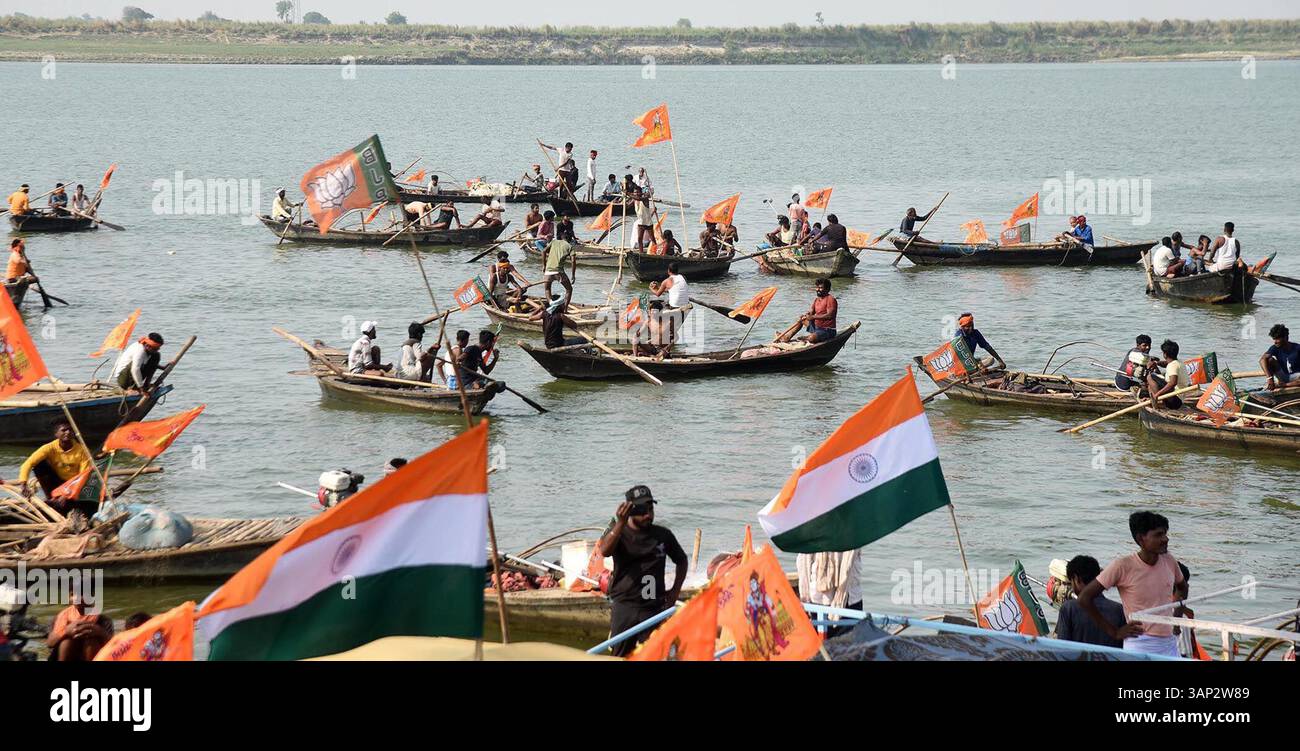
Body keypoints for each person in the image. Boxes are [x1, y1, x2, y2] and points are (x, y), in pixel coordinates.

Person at [1078, 511, 1187, 657]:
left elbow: (1182, 587)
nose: (1165, 539)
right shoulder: (1122, 566)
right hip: (1139, 642)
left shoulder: (1169, 561)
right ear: (1141, 539)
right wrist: (1115, 632)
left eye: (1165, 534)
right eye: (1158, 535)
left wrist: (1176, 621)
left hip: (1169, 643)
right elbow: (1084, 598)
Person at [597, 485, 688, 658]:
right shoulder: (619, 533)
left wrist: (675, 591)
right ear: (629, 510)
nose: (648, 515)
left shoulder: (662, 535)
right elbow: (604, 551)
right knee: (621, 655)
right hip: (625, 605)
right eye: (642, 510)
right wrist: (620, 522)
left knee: (655, 654)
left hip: (653, 606)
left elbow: (681, 560)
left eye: (651, 509)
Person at [13, 418, 91, 505]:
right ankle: (51, 497)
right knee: (39, 465)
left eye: (70, 430)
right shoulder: (49, 448)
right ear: (56, 434)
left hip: (74, 485)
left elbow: (83, 476)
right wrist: (23, 484)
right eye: (64, 430)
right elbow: (27, 464)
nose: (68, 432)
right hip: (57, 482)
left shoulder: (82, 450)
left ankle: (61, 499)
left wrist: (66, 494)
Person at [1053, 555, 1125, 649]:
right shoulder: (1119, 609)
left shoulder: (1069, 608)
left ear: (1076, 578)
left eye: (1071, 582)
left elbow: (1061, 647)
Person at [797, 548, 863, 639]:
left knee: (850, 645)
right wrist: (805, 599)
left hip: (849, 596)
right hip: (820, 598)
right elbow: (804, 563)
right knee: (824, 645)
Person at [47, 594, 112, 662]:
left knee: (92, 641)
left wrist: (100, 632)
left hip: (91, 656)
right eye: (73, 595)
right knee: (67, 642)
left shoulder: (103, 620)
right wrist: (66, 631)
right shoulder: (60, 618)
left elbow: (115, 646)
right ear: (69, 597)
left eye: (82, 594)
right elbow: (50, 643)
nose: (77, 598)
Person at [787, 278, 838, 343]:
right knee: (802, 320)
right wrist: (807, 315)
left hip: (827, 330)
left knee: (812, 338)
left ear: (827, 289)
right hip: (816, 328)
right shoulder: (816, 300)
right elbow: (811, 313)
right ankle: (787, 336)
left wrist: (813, 317)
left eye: (821, 288)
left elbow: (830, 315)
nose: (818, 290)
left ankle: (807, 338)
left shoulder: (830, 299)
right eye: (817, 287)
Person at [541, 221, 576, 302]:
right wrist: (573, 275)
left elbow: (543, 251)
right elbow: (573, 261)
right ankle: (565, 309)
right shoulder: (569, 246)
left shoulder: (553, 242)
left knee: (547, 289)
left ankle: (551, 304)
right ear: (569, 238)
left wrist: (544, 265)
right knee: (569, 289)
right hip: (558, 271)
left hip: (548, 271)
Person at [1146, 339, 1186, 409]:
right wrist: (1156, 363)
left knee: (1150, 377)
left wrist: (1157, 395)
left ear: (1165, 354)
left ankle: (1156, 400)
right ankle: (1153, 398)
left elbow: (1173, 383)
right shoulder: (1178, 362)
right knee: (1152, 382)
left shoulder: (1172, 366)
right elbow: (1165, 363)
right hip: (1179, 399)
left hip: (1175, 402)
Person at [1260, 323, 1300, 390]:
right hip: (1283, 376)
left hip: (1297, 377)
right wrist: (1269, 378)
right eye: (1274, 339)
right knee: (1269, 360)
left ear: (1285, 337)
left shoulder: (1297, 348)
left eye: (1277, 339)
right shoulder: (1275, 348)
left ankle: (1284, 385)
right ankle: (1273, 383)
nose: (1275, 342)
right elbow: (1262, 360)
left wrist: (1285, 385)